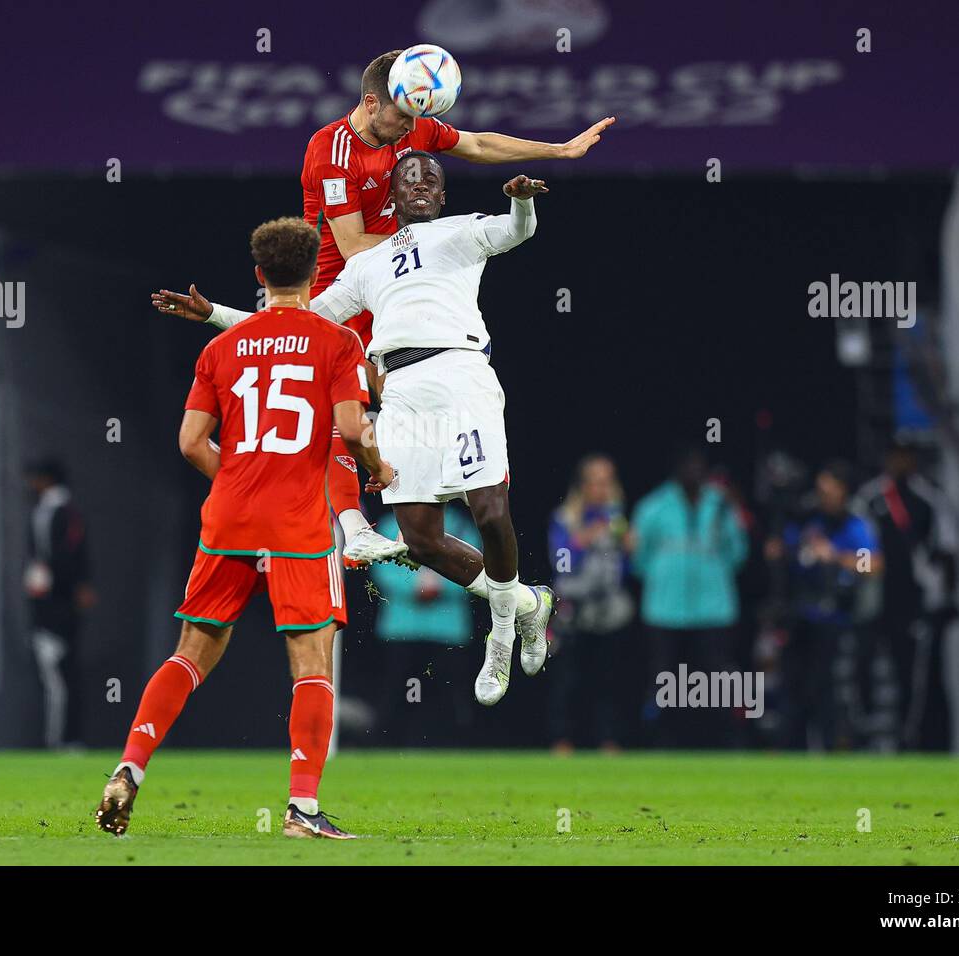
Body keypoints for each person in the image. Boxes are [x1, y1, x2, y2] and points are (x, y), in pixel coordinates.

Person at [156, 49, 615, 570]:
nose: (409, 130)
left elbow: (479, 143)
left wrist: (559, 149)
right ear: (372, 102)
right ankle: (354, 528)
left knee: (399, 405)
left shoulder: (411, 123)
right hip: (344, 288)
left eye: (417, 118)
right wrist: (433, 239)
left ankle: (494, 573)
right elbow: (353, 245)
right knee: (344, 410)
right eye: (400, 117)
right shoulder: (331, 149)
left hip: (395, 287)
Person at [168, 152, 556, 707]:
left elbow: (520, 230)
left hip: (462, 374)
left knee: (490, 511)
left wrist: (520, 199)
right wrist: (215, 315)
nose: (420, 185)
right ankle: (526, 606)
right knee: (419, 539)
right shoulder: (366, 267)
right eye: (408, 179)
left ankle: (499, 638)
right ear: (391, 198)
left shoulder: (462, 232)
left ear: (442, 195)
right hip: (400, 392)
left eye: (431, 179)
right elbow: (300, 321)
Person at [96, 217, 396, 841]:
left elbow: (189, 443)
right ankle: (302, 810)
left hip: (229, 516)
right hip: (298, 523)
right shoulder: (336, 341)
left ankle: (129, 768)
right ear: (315, 274)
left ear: (259, 277)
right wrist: (379, 468)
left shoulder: (220, 347)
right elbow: (349, 427)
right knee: (311, 660)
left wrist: (235, 479)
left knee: (191, 652)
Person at [632, 447, 749, 748]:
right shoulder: (654, 506)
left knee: (718, 677)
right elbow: (639, 560)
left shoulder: (721, 505)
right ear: (676, 471)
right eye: (687, 467)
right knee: (663, 675)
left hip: (714, 608)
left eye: (699, 467)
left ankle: (729, 739)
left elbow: (738, 554)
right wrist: (665, 577)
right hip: (665, 608)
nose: (694, 474)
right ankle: (656, 740)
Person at [767, 461, 879, 751]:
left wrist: (835, 557)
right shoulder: (807, 522)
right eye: (820, 490)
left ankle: (830, 748)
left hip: (833, 619)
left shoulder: (854, 526)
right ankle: (791, 750)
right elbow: (782, 552)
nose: (824, 496)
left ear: (844, 492)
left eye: (830, 490)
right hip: (800, 615)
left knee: (825, 689)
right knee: (792, 689)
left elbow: (873, 565)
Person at [854, 441, 956, 748]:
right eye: (894, 456)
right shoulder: (869, 498)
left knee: (912, 672)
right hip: (873, 599)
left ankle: (909, 737)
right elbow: (857, 543)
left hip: (912, 601)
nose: (899, 462)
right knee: (863, 666)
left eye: (905, 457)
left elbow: (946, 551)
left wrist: (944, 596)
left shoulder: (929, 497)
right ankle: (863, 730)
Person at [368, 504, 480, 746]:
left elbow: (476, 571)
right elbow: (380, 569)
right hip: (402, 630)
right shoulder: (390, 524)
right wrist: (416, 586)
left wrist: (439, 585)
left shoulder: (459, 526)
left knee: (449, 699)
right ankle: (389, 752)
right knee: (396, 697)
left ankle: (452, 749)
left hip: (448, 632)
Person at [547, 454, 635, 754]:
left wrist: (627, 544)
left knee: (610, 679)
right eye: (595, 482)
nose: (601, 488)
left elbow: (630, 567)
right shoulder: (566, 517)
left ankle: (609, 739)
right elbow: (561, 561)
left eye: (606, 482)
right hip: (575, 609)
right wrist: (585, 538)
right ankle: (563, 739)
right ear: (583, 485)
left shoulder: (618, 520)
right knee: (568, 678)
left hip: (609, 610)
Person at [23, 458, 95, 749]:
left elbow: (70, 555)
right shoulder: (47, 511)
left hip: (57, 606)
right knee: (54, 673)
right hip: (50, 602)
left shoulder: (63, 512)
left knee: (59, 673)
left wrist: (64, 583)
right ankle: (60, 737)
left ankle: (65, 739)